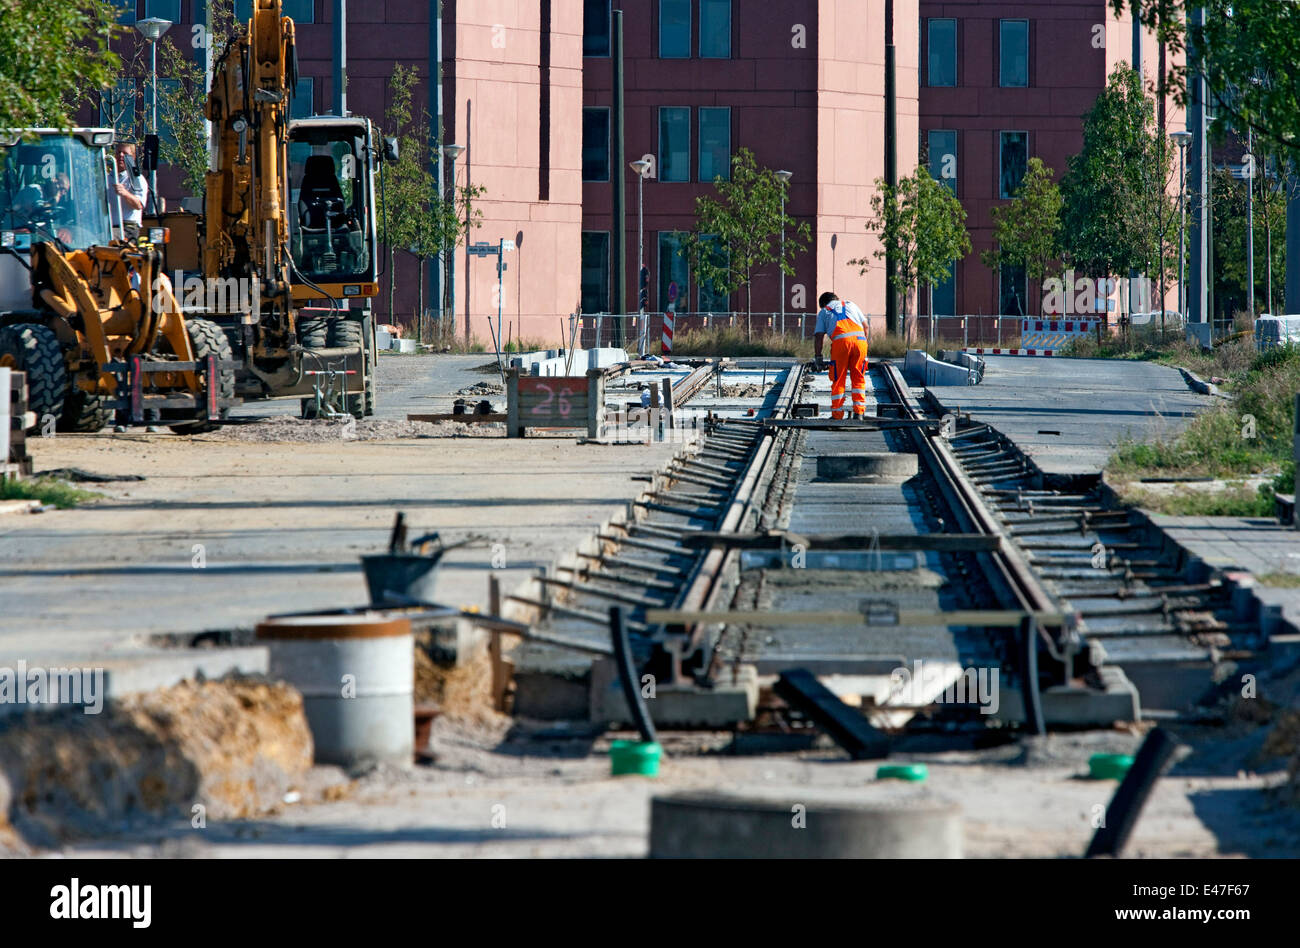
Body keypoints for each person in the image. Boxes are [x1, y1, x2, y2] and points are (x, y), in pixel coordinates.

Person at [813, 291, 870, 420]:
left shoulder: (824, 311)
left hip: (841, 343)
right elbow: (866, 327)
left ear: (823, 304)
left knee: (838, 379)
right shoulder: (851, 305)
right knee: (858, 377)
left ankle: (837, 415)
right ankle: (859, 413)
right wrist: (864, 350)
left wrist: (818, 357)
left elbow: (818, 336)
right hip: (860, 342)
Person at [110, 143, 148, 241]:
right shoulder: (106, 178)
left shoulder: (136, 178)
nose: (121, 155)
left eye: (125, 153)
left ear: (133, 157)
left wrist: (125, 193)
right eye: (118, 152)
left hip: (128, 228)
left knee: (106, 238)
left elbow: (138, 205)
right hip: (108, 226)